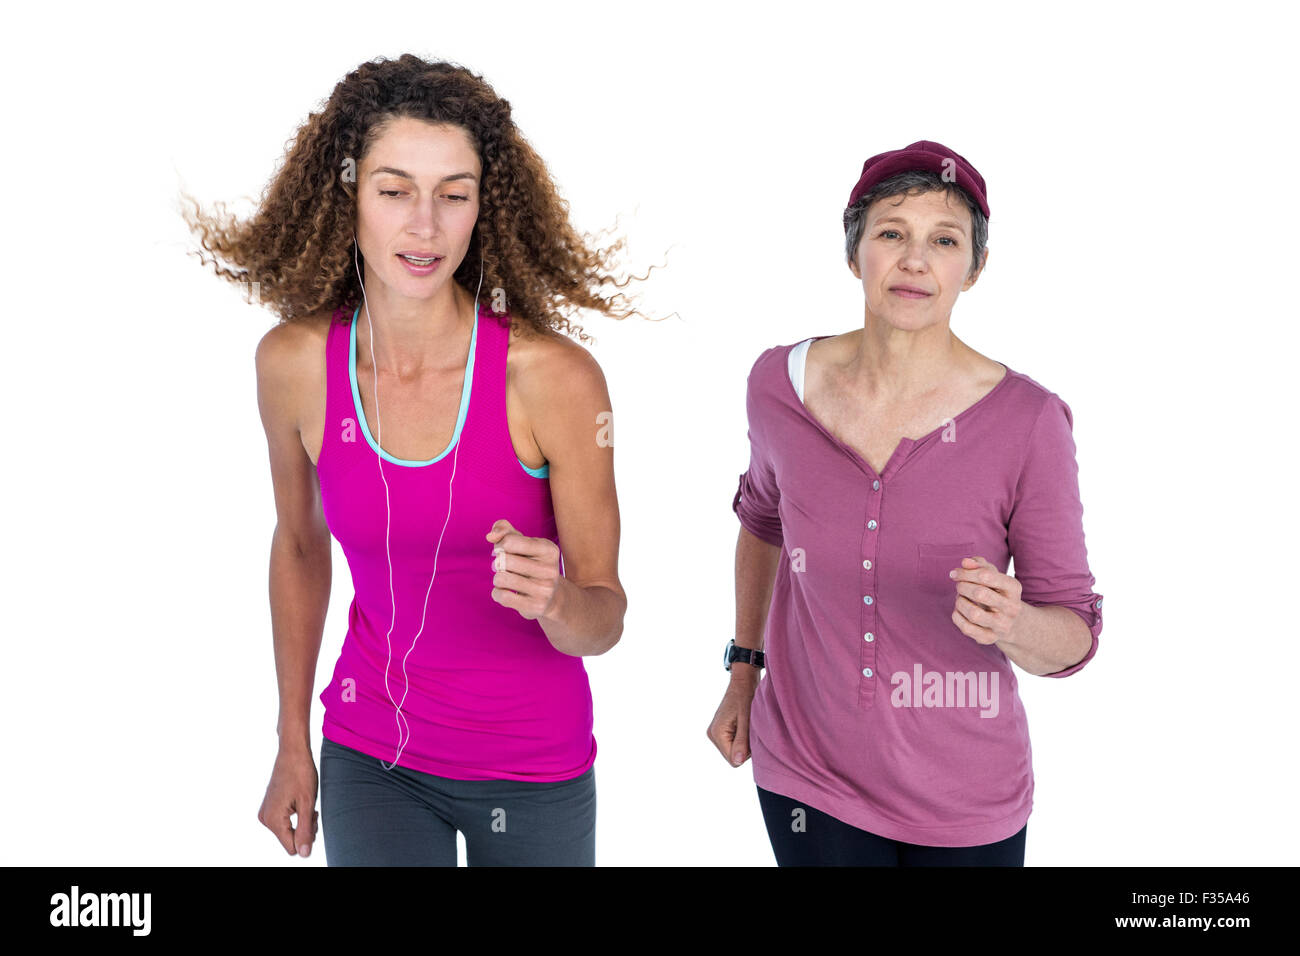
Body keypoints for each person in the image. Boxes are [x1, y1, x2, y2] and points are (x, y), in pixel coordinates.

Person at [182, 54, 640, 865]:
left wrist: (557, 600)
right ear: (348, 195)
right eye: (394, 190)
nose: (424, 226)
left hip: (532, 765)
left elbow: (604, 619)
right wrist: (293, 741)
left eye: (453, 195)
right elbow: (298, 544)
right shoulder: (292, 365)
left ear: (482, 209)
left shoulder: (555, 380)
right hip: (372, 756)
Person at [707, 141, 1105, 866]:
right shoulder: (777, 384)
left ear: (974, 269)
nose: (915, 261)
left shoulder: (1029, 422)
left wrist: (1016, 624)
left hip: (966, 799)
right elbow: (762, 523)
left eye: (944, 241)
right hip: (807, 774)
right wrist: (744, 672)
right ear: (855, 251)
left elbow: (1074, 633)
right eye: (892, 233)